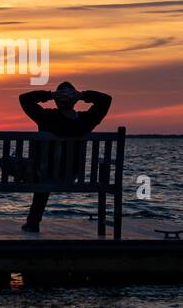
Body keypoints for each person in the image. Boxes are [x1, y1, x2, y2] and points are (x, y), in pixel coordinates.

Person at [17, 82, 112, 232]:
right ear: (74, 100)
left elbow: (24, 99)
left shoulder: (46, 117)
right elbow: (106, 100)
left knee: (16, 164)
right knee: (45, 171)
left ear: (57, 100)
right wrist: (82, 95)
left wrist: (51, 95)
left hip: (44, 174)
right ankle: (32, 222)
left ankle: (33, 223)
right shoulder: (86, 121)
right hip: (72, 175)